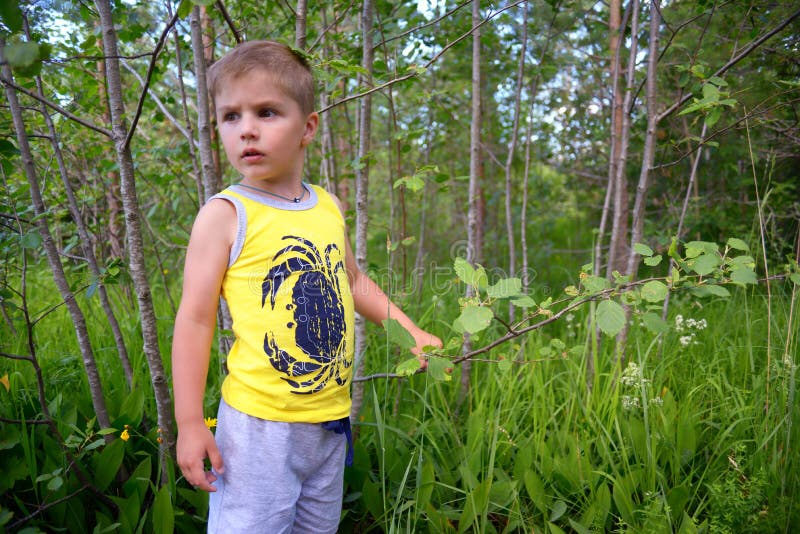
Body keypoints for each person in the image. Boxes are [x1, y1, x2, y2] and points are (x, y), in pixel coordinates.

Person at [171, 40, 442, 533]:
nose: (247, 129)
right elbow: (195, 318)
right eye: (231, 117)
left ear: (308, 128)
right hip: (258, 430)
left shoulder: (326, 206)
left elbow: (353, 279)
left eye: (267, 112)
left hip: (328, 424)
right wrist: (190, 423)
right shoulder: (225, 215)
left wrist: (410, 332)